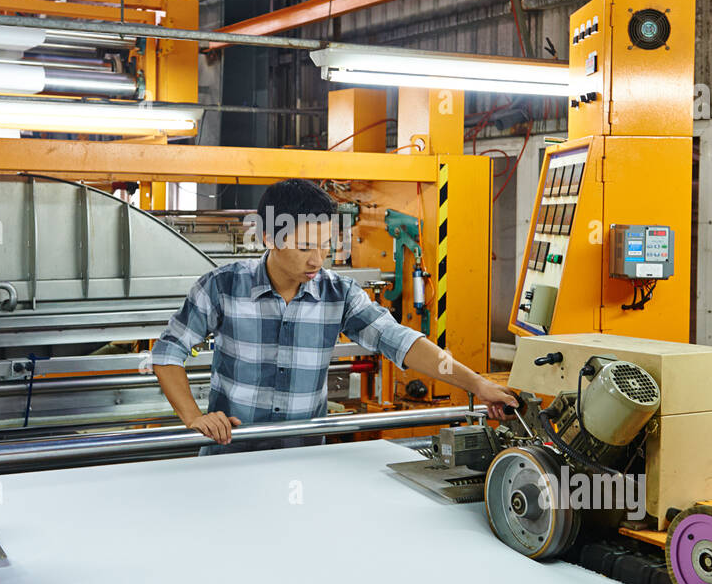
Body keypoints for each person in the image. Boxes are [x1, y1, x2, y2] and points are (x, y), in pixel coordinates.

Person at [152, 178, 516, 452]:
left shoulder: (338, 294)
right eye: (305, 246)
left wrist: (478, 385)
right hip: (230, 457)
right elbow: (168, 352)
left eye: (325, 245)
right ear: (268, 237)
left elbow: (400, 342)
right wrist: (193, 416)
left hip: (306, 462)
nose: (317, 259)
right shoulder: (222, 287)